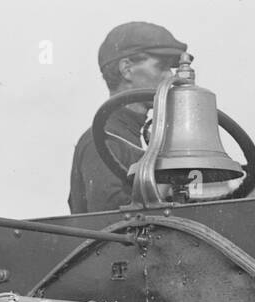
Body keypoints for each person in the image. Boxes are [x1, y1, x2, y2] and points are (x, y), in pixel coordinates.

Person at [69, 22, 187, 214]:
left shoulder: (132, 138)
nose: (170, 77)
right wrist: (168, 181)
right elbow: (110, 219)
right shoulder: (102, 139)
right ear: (127, 69)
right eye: (162, 67)